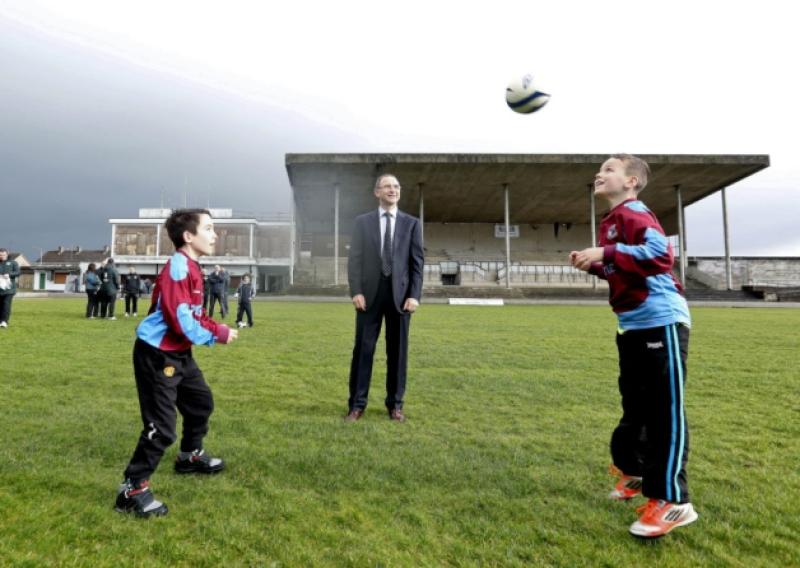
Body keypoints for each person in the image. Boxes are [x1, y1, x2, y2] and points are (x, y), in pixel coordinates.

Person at [570, 154, 696, 539]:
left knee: (664, 411)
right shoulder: (611, 222)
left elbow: (661, 257)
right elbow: (625, 266)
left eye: (609, 169)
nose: (599, 173)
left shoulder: (635, 214)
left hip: (662, 321)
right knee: (636, 407)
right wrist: (595, 263)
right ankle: (636, 474)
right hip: (632, 325)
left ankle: (674, 502)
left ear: (632, 182)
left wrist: (605, 254)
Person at [115, 208, 238, 518]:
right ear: (188, 236)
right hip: (157, 354)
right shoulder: (179, 268)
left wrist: (217, 328)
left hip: (178, 352)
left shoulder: (193, 267)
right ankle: (131, 489)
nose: (215, 234)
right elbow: (180, 320)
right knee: (161, 427)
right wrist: (216, 336)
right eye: (209, 228)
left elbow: (195, 314)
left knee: (200, 403)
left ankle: (189, 456)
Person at [345, 174, 424, 422]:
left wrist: (414, 295)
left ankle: (395, 405)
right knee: (363, 351)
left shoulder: (412, 224)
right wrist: (355, 291)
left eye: (397, 186)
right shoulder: (362, 222)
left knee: (398, 353)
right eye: (387, 186)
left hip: (401, 299)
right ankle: (357, 405)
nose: (393, 190)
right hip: (368, 296)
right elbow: (354, 260)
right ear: (377, 192)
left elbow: (417, 264)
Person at [0, 248, 21, 328]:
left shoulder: (13, 263)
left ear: (7, 254)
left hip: (9, 289)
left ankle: (4, 321)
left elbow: (18, 272)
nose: (1, 256)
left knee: (6, 305)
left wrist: (9, 275)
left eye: (3, 255)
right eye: (0, 255)